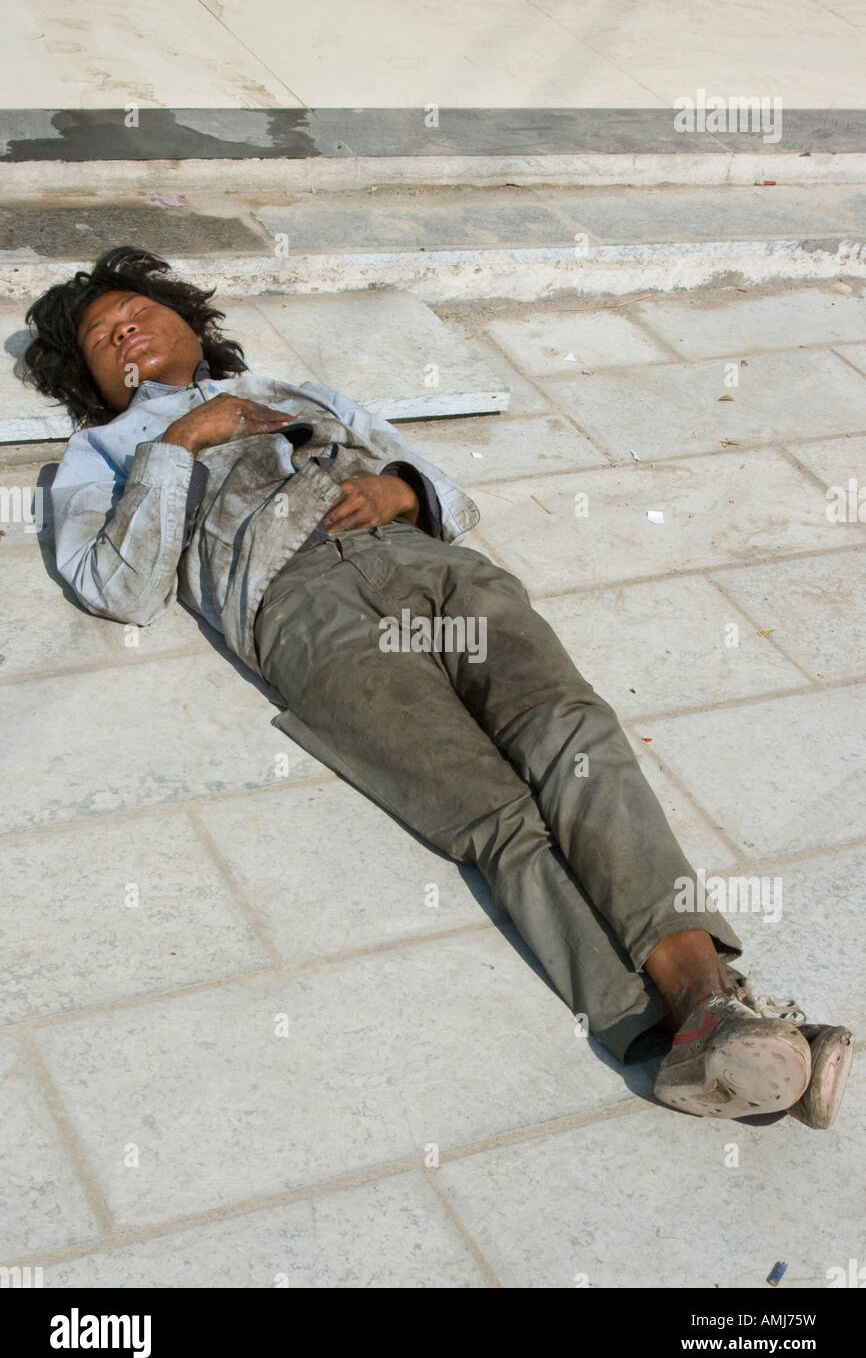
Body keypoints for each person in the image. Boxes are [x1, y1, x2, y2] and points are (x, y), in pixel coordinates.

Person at [21, 246, 853, 1128]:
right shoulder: (100, 454)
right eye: (104, 339)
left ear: (191, 322)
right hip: (306, 616)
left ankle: (716, 1021)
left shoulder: (300, 396)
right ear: (95, 382)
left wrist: (398, 489)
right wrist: (179, 445)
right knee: (495, 819)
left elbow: (445, 491)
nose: (126, 333)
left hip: (433, 571)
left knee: (575, 734)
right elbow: (119, 588)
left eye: (137, 313)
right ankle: (705, 1021)